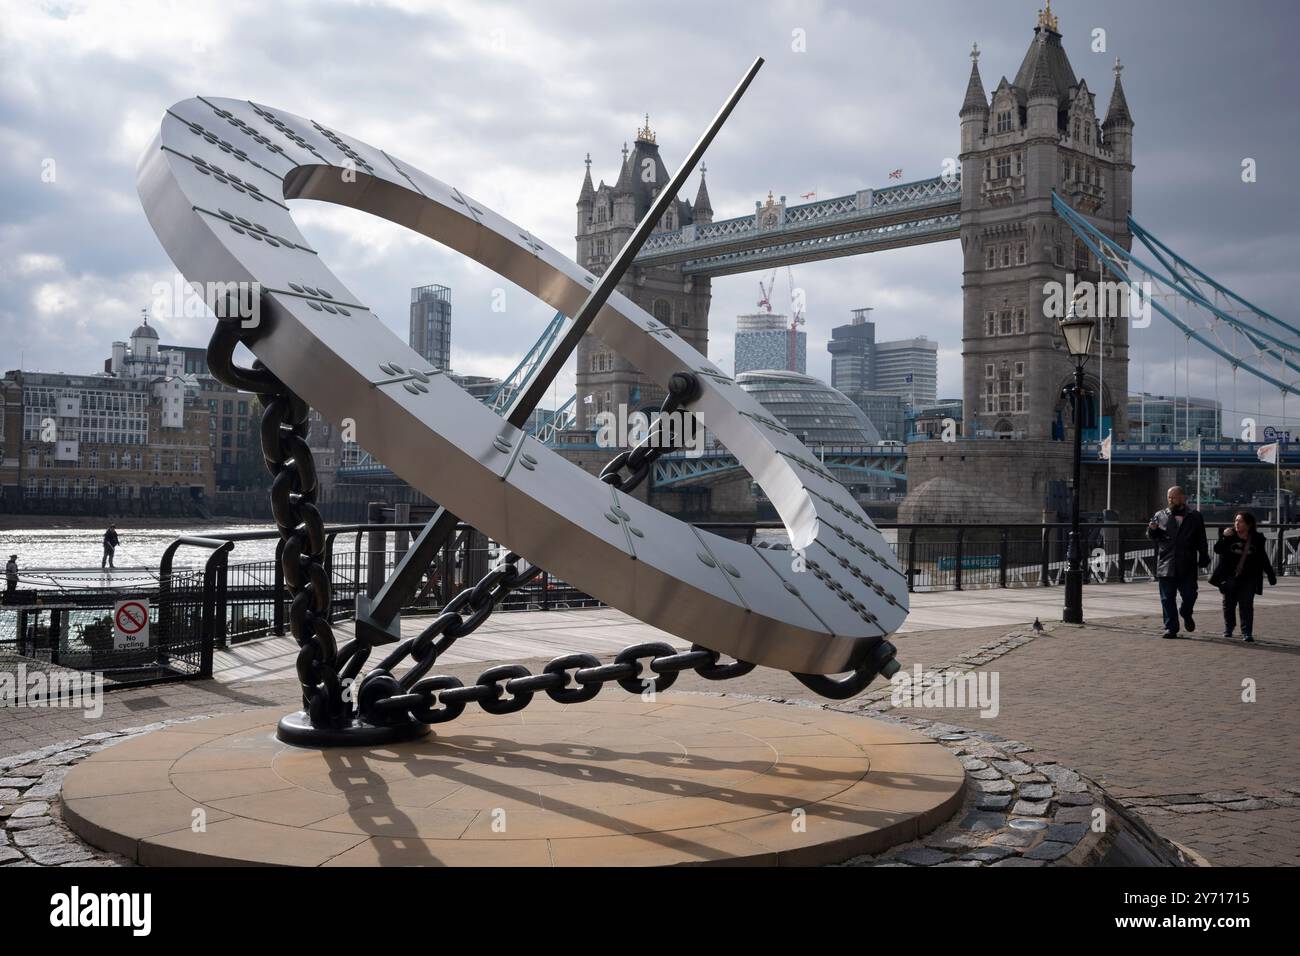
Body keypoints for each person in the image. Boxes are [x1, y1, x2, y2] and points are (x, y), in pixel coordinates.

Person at [1147, 486, 1210, 639]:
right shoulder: (1160, 515)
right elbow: (1152, 536)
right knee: (1167, 598)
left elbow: (1201, 538)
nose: (1171, 500)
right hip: (1166, 563)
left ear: (1183, 497)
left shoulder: (1194, 516)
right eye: (1169, 497)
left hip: (1187, 564)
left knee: (1190, 595)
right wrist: (1152, 529)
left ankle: (1186, 613)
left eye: (1174, 497)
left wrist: (1203, 556)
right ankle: (1171, 628)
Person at [1211, 511, 1276, 642]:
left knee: (1246, 604)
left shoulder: (1257, 539)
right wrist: (1223, 537)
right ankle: (1229, 628)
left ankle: (1247, 632)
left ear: (1249, 524)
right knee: (1228, 604)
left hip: (1249, 577)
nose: (1237, 524)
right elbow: (1217, 550)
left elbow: (1263, 558)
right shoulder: (1229, 536)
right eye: (1235, 521)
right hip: (1229, 576)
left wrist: (1270, 574)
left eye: (1240, 521)